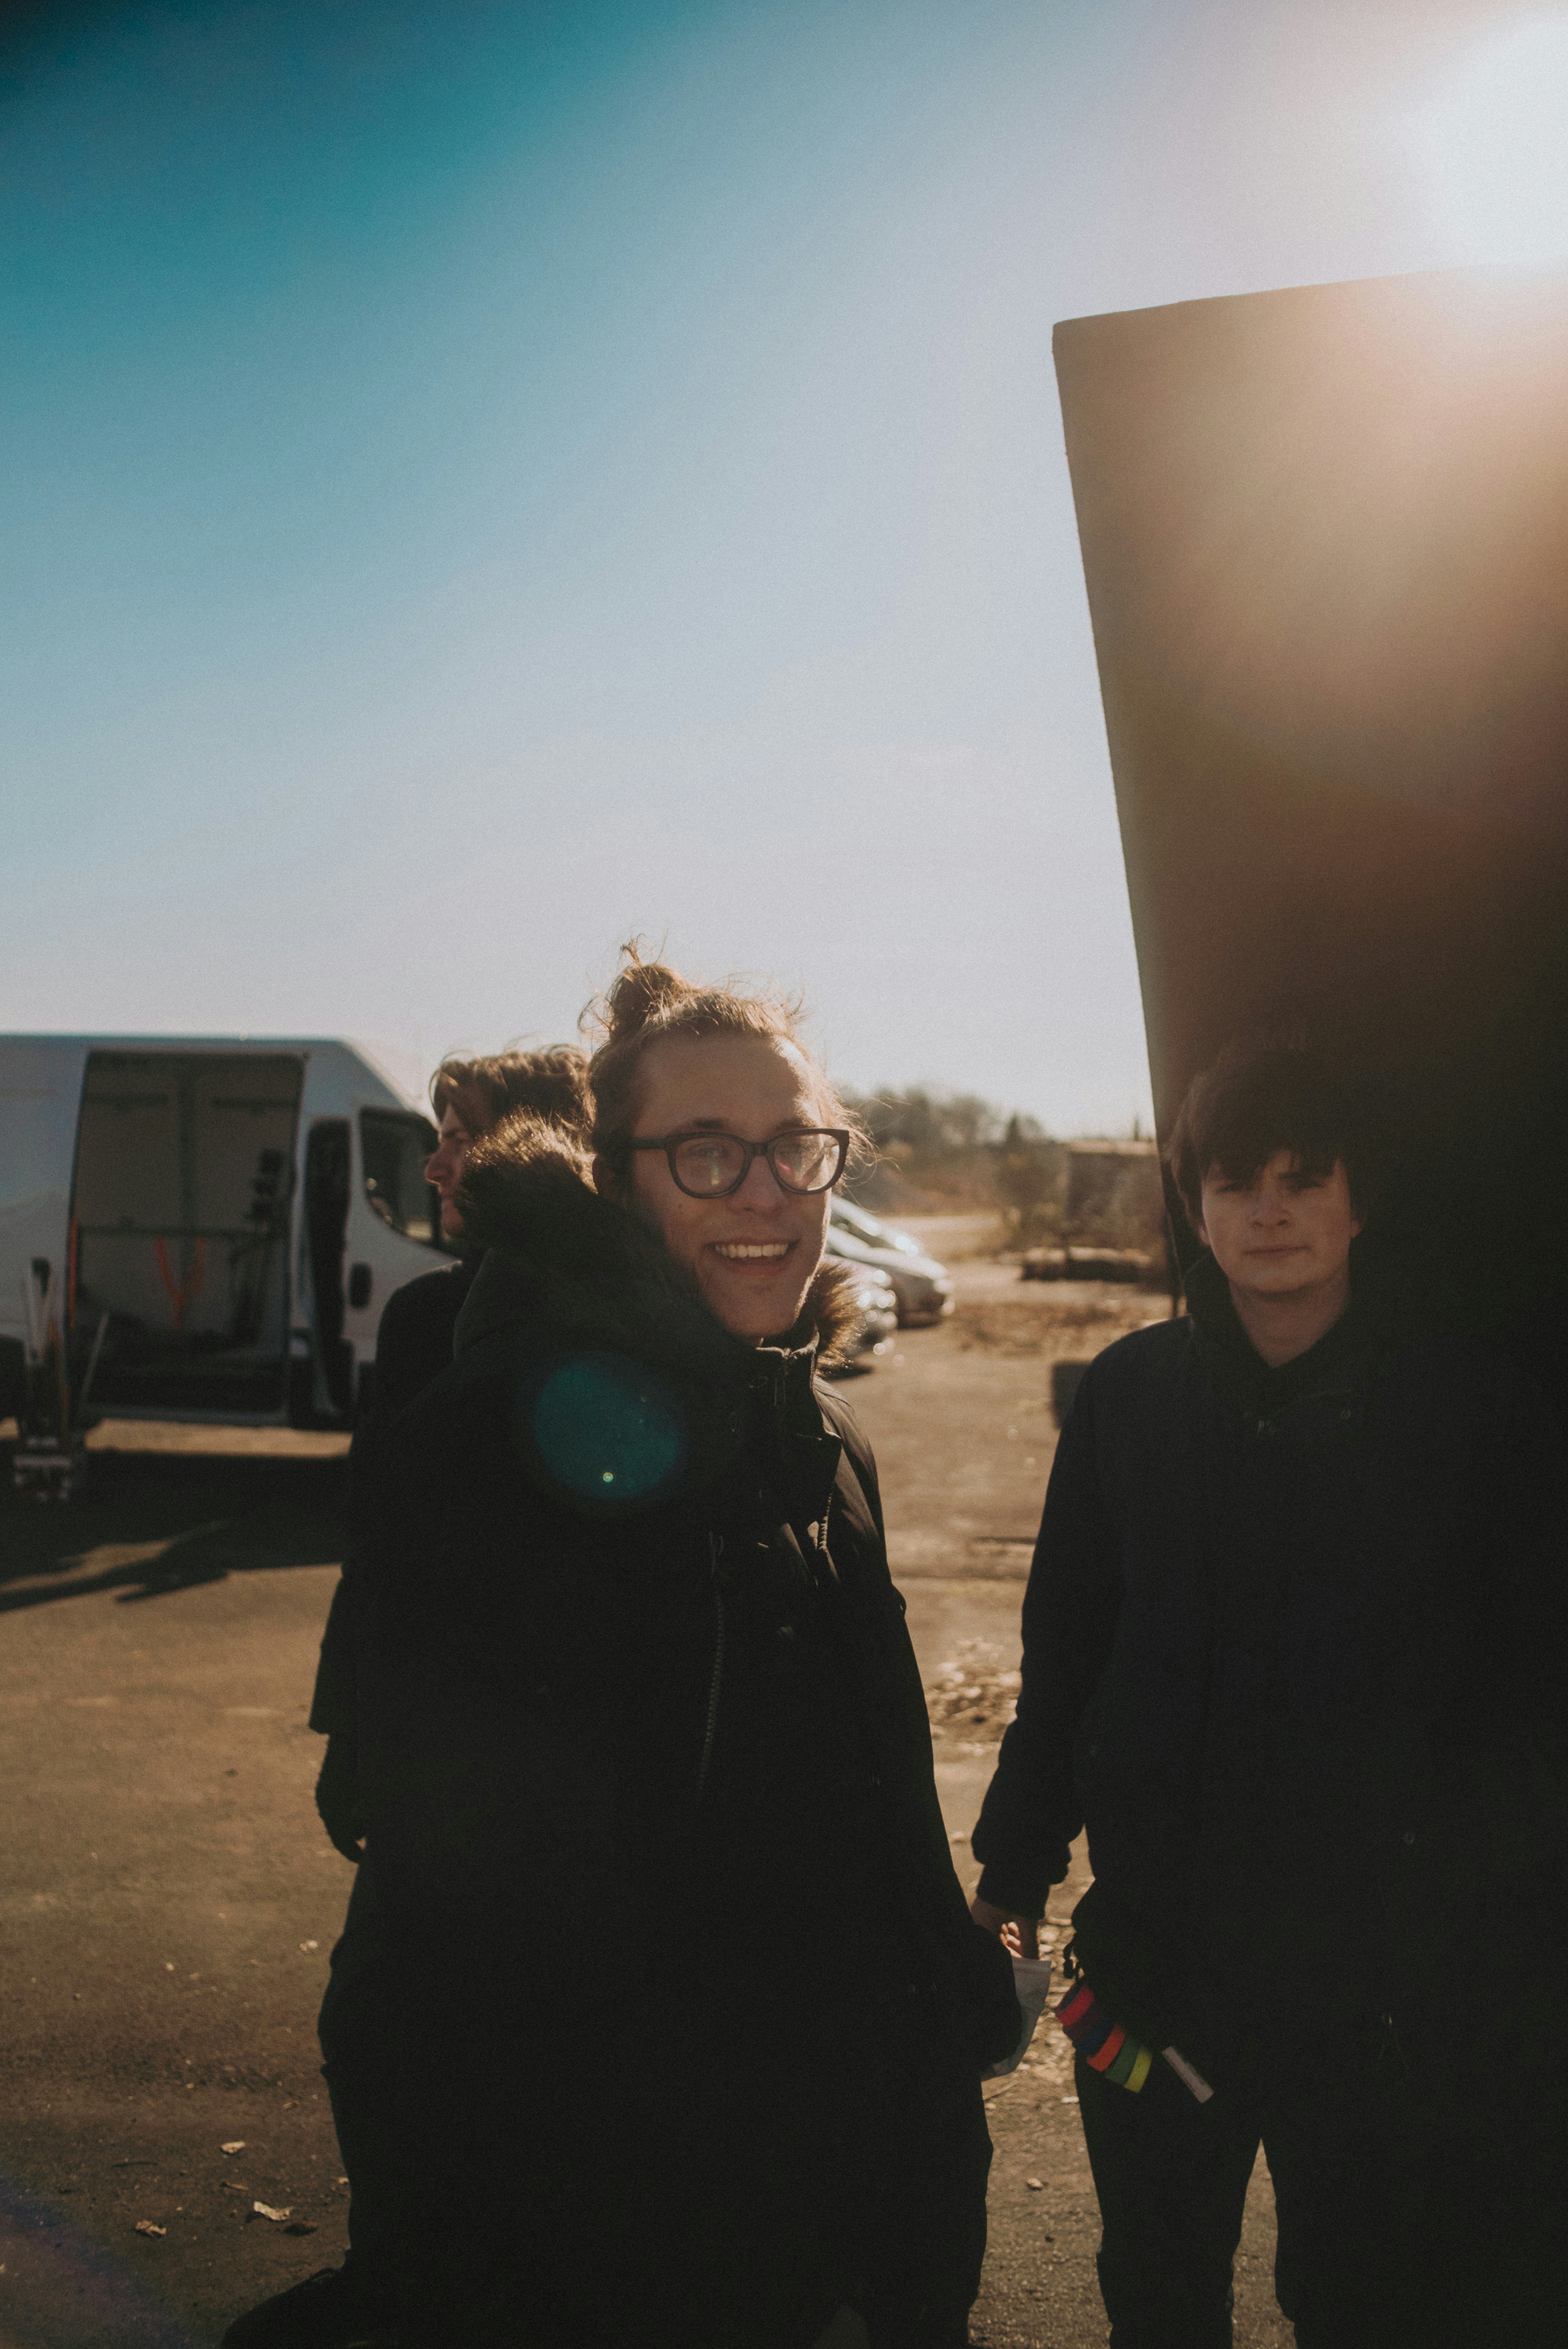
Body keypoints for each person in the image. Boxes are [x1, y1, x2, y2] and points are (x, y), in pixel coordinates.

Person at [332, 953, 1017, 2347]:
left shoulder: (821, 1438)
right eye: (707, 1154)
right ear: (618, 1180)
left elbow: (877, 1825)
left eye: (795, 1148)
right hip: (613, 2242)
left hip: (836, 2201)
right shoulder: (497, 1443)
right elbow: (437, 1921)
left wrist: (931, 2109)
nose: (766, 1191)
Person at [969, 1041, 1566, 2349]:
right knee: (1162, 2297)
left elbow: (1531, 1699)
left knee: (1363, 2301)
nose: (1272, 1210)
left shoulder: (1472, 1413)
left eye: (1306, 1178)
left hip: (1378, 1999)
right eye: (1237, 1182)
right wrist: (1012, 1875)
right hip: (1149, 1987)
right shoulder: (1130, 1398)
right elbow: (1065, 1654)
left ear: (1363, 1200)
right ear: (1194, 1204)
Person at [223, 1046, 590, 2349]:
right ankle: (404, 2268)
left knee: (529, 2043)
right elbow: (376, 1546)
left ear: (544, 1150)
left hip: (563, 1775)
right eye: (436, 1135)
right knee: (378, 2022)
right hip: (432, 1765)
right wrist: (347, 1733)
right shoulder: (424, 1321)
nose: (435, 1163)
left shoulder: (608, 1318)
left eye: (462, 1135)